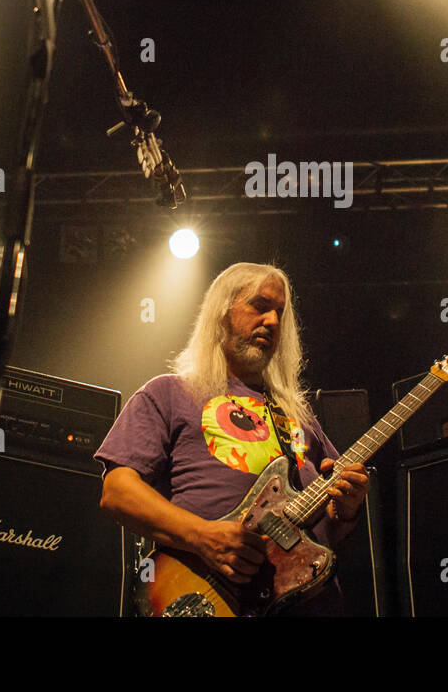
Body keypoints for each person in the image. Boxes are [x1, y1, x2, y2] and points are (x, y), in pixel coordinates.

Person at [95, 262, 369, 615]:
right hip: (205, 599)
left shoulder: (298, 416)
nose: (272, 321)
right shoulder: (168, 393)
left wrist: (346, 510)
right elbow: (117, 492)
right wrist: (202, 537)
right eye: (259, 305)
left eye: (280, 313)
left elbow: (333, 532)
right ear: (221, 314)